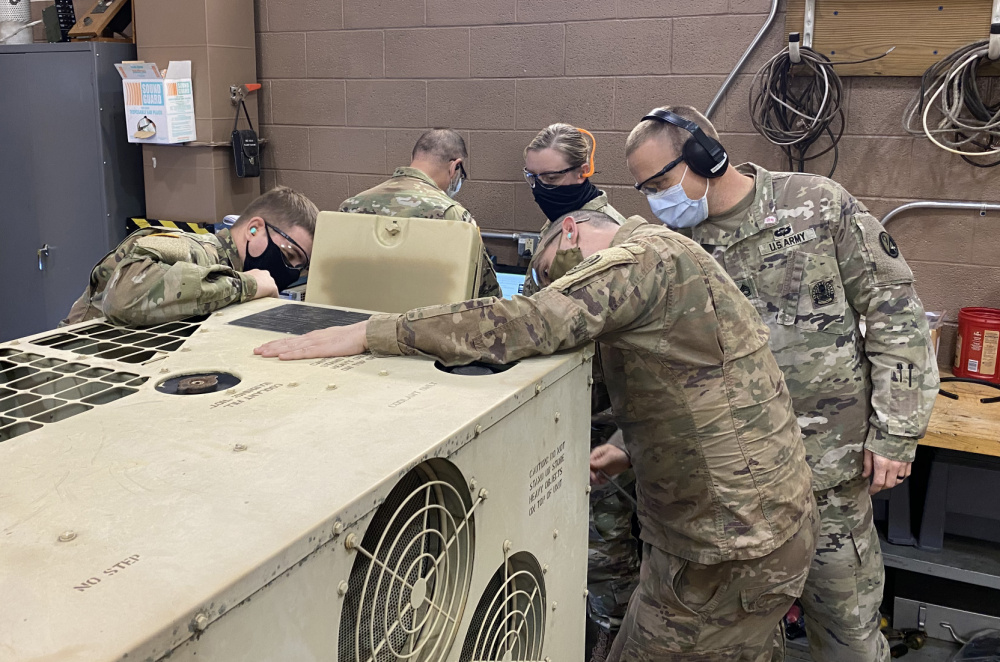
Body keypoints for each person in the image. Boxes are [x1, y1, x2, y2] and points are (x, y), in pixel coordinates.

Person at [256, 209, 819, 661]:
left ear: (570, 231)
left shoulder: (643, 258)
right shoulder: (676, 258)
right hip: (762, 528)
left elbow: (527, 322)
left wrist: (376, 332)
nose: (556, 283)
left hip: (725, 546)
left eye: (552, 271)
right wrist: (625, 448)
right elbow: (708, 382)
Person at [624, 105, 939, 662]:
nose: (655, 200)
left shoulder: (815, 204)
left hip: (827, 476)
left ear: (705, 156)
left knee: (847, 636)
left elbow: (895, 312)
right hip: (737, 494)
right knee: (738, 642)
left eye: (658, 183)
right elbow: (667, 371)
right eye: (644, 190)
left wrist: (896, 432)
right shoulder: (677, 248)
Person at [524, 124, 639, 662]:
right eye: (531, 176)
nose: (539, 187)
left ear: (583, 171)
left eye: (550, 178)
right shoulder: (558, 227)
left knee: (605, 551)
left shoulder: (604, 235)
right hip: (567, 411)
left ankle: (612, 641)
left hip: (602, 419)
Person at [63, 186, 317, 327]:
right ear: (254, 229)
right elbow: (123, 299)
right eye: (289, 254)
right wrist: (247, 285)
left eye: (300, 266)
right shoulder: (195, 250)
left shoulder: (232, 267)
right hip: (76, 372)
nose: (291, 270)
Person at [339, 128, 500, 299]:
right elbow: (487, 295)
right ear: (455, 167)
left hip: (356, 313)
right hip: (426, 315)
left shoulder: (351, 206)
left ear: (413, 159)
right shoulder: (454, 216)